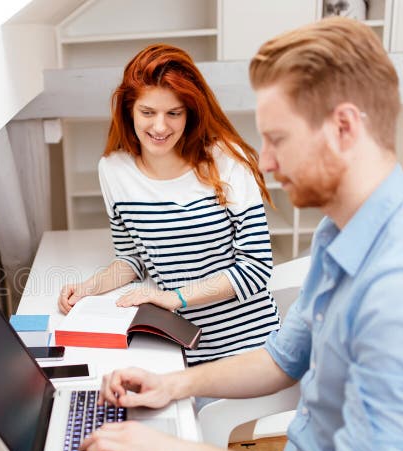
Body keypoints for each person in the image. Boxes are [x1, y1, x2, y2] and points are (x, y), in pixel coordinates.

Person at [80, 17, 403, 451]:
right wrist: (170, 384)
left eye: (277, 139)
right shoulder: (341, 236)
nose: (264, 162)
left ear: (343, 128)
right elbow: (280, 360)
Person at [58, 44, 280, 367]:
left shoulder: (227, 160)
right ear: (128, 109)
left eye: (173, 113)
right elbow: (133, 258)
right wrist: (89, 288)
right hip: (179, 349)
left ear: (190, 112)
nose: (160, 127)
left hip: (251, 349)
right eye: (148, 112)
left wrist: (173, 298)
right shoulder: (113, 171)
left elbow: (256, 266)